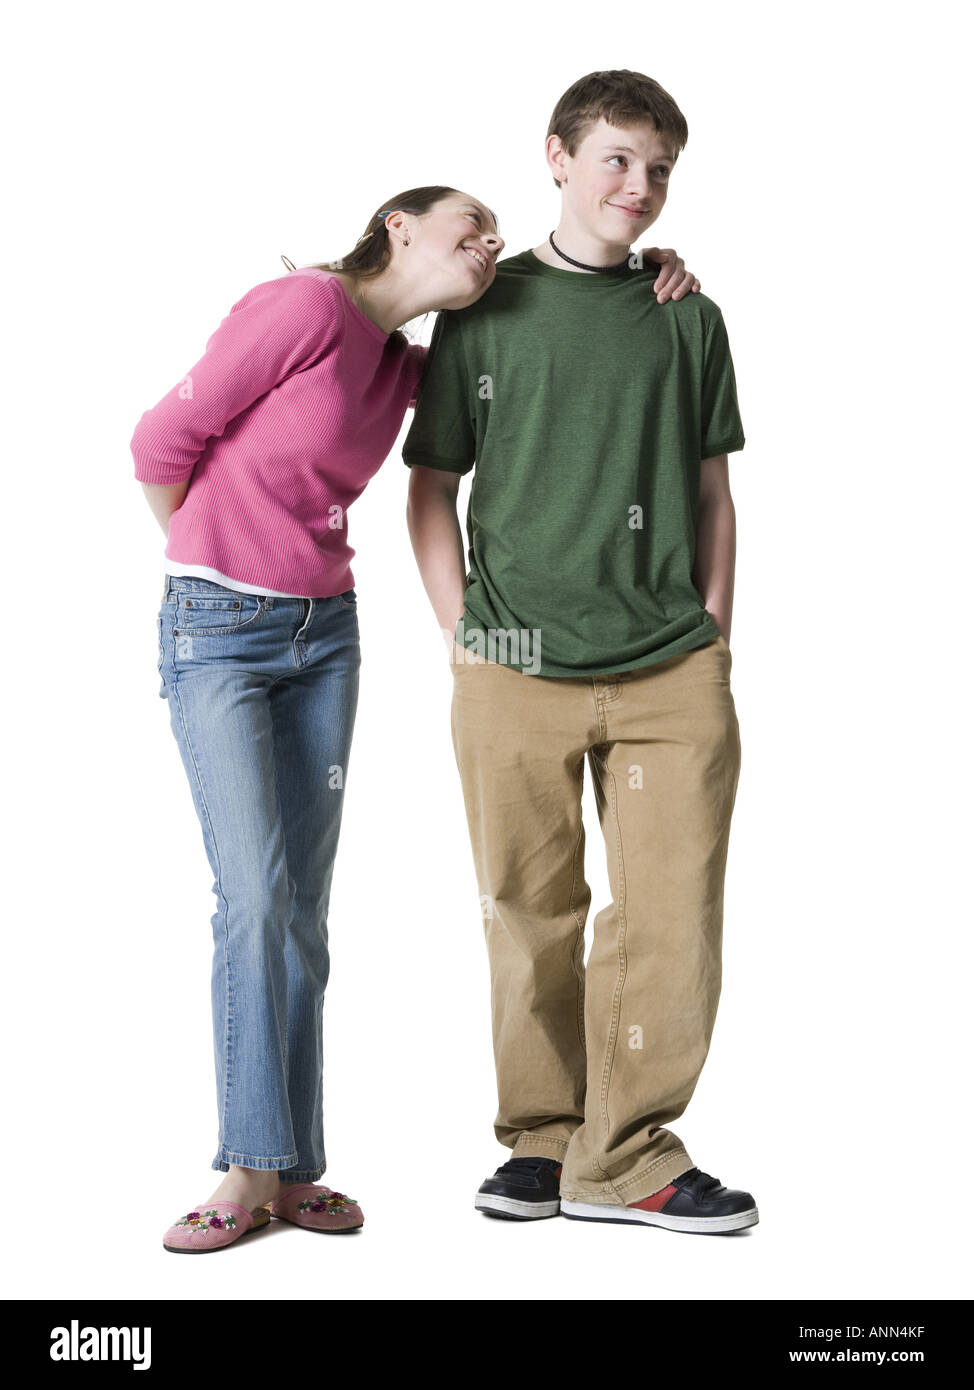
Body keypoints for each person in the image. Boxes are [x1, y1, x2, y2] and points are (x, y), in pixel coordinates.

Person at [133, 179, 708, 1252]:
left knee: (301, 908)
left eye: (496, 235)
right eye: (466, 227)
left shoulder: (405, 364)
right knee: (252, 896)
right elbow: (159, 444)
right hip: (217, 629)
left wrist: (656, 269)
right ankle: (245, 1166)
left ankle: (292, 1169)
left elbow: (553, 342)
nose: (487, 244)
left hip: (325, 636)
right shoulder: (302, 307)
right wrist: (212, 560)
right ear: (398, 226)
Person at [403, 70, 758, 1234]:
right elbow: (431, 487)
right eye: (615, 159)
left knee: (669, 919)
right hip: (512, 663)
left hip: (668, 667)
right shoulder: (481, 310)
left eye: (658, 169)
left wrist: (710, 632)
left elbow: (711, 493)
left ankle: (632, 1153)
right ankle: (545, 1144)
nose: (638, 187)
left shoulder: (685, 315)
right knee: (526, 911)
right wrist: (465, 634)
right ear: (556, 157)